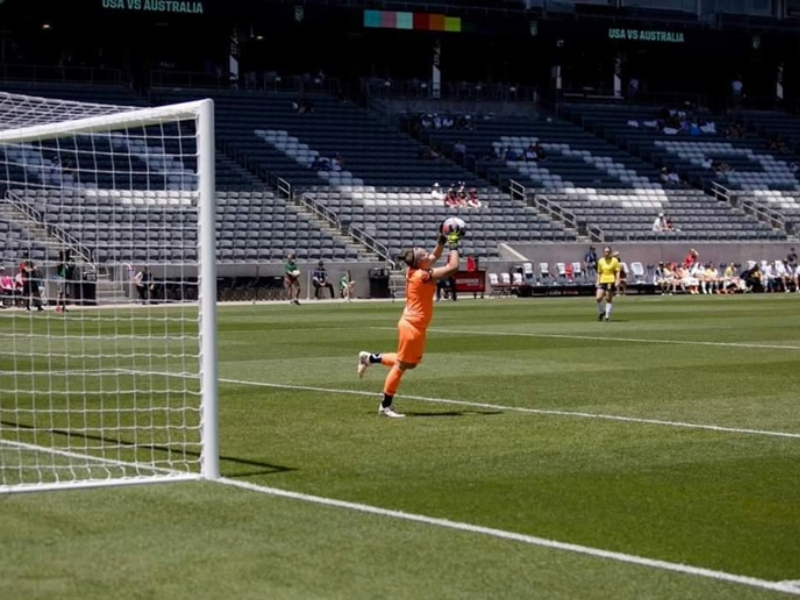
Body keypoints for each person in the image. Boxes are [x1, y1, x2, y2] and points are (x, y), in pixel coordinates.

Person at [356, 222, 463, 418]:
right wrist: (453, 244)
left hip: (415, 325)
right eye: (425, 254)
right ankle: (385, 405)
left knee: (410, 363)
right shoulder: (422, 276)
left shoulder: (414, 269)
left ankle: (369, 358)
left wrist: (441, 239)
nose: (429, 256)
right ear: (421, 261)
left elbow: (436, 255)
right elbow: (453, 267)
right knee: (402, 365)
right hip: (412, 326)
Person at [595, 246, 620, 322]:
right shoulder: (601, 261)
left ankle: (607, 316)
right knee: (598, 298)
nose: (607, 253)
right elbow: (599, 272)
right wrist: (597, 281)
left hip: (610, 280)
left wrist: (617, 280)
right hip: (602, 280)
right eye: (605, 251)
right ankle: (602, 311)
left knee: (608, 298)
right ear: (603, 252)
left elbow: (617, 271)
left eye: (608, 251)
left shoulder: (614, 260)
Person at [55, 249, 76, 313]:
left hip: (68, 278)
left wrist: (66, 263)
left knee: (66, 293)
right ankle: (57, 307)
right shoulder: (61, 260)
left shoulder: (71, 260)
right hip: (62, 277)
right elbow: (57, 265)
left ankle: (64, 307)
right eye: (70, 253)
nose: (70, 254)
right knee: (60, 292)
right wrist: (61, 262)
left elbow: (72, 266)